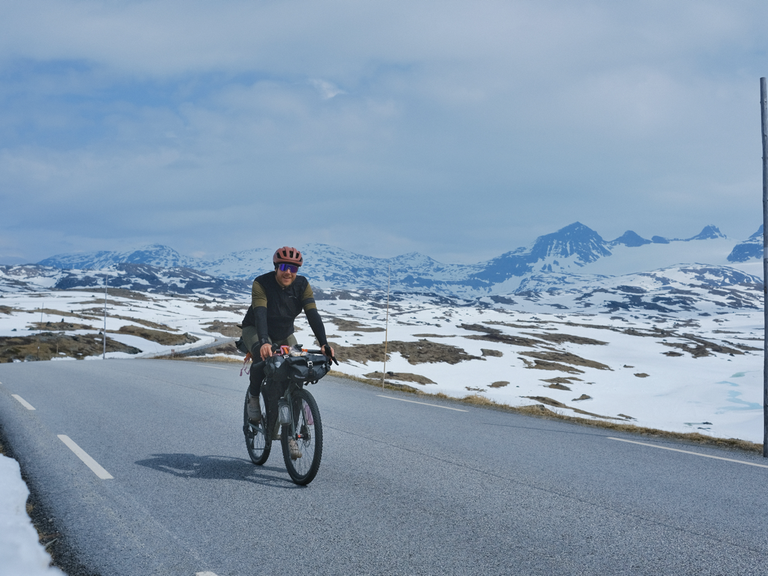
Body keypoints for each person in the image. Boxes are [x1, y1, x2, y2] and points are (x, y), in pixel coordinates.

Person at [241, 246, 334, 445]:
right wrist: (264, 342)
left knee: (296, 368)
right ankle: (255, 397)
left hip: (284, 334)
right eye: (284, 266)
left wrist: (324, 343)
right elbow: (260, 315)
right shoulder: (261, 283)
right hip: (255, 329)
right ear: (276, 267)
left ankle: (289, 431)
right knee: (262, 356)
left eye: (294, 268)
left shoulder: (302, 285)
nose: (288, 272)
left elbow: (312, 315)